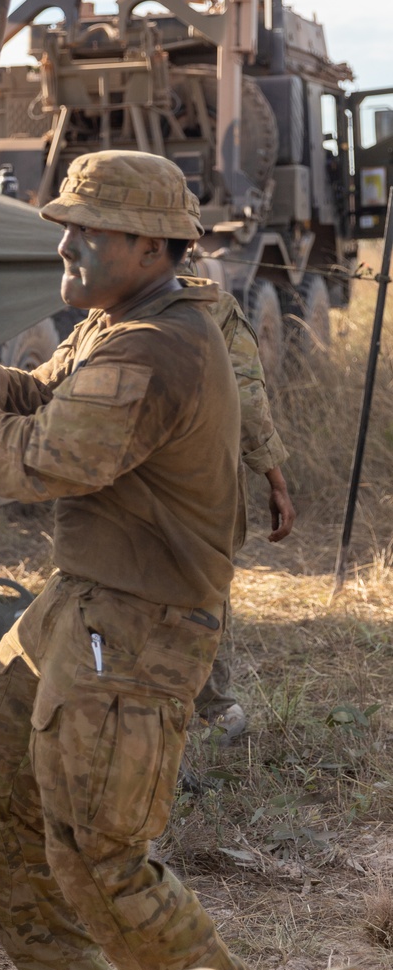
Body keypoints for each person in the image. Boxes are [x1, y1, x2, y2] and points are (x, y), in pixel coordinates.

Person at [0, 150, 256, 970]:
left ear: (153, 247)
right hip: (84, 600)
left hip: (139, 625)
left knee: (100, 852)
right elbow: (35, 402)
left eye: (92, 231)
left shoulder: (155, 347)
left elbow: (43, 462)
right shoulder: (116, 324)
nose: (69, 246)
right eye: (67, 227)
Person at [185, 279, 295, 739]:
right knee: (206, 584)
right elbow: (247, 398)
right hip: (200, 475)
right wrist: (275, 480)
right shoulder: (215, 307)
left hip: (122, 479)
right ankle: (210, 706)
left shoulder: (105, 300)